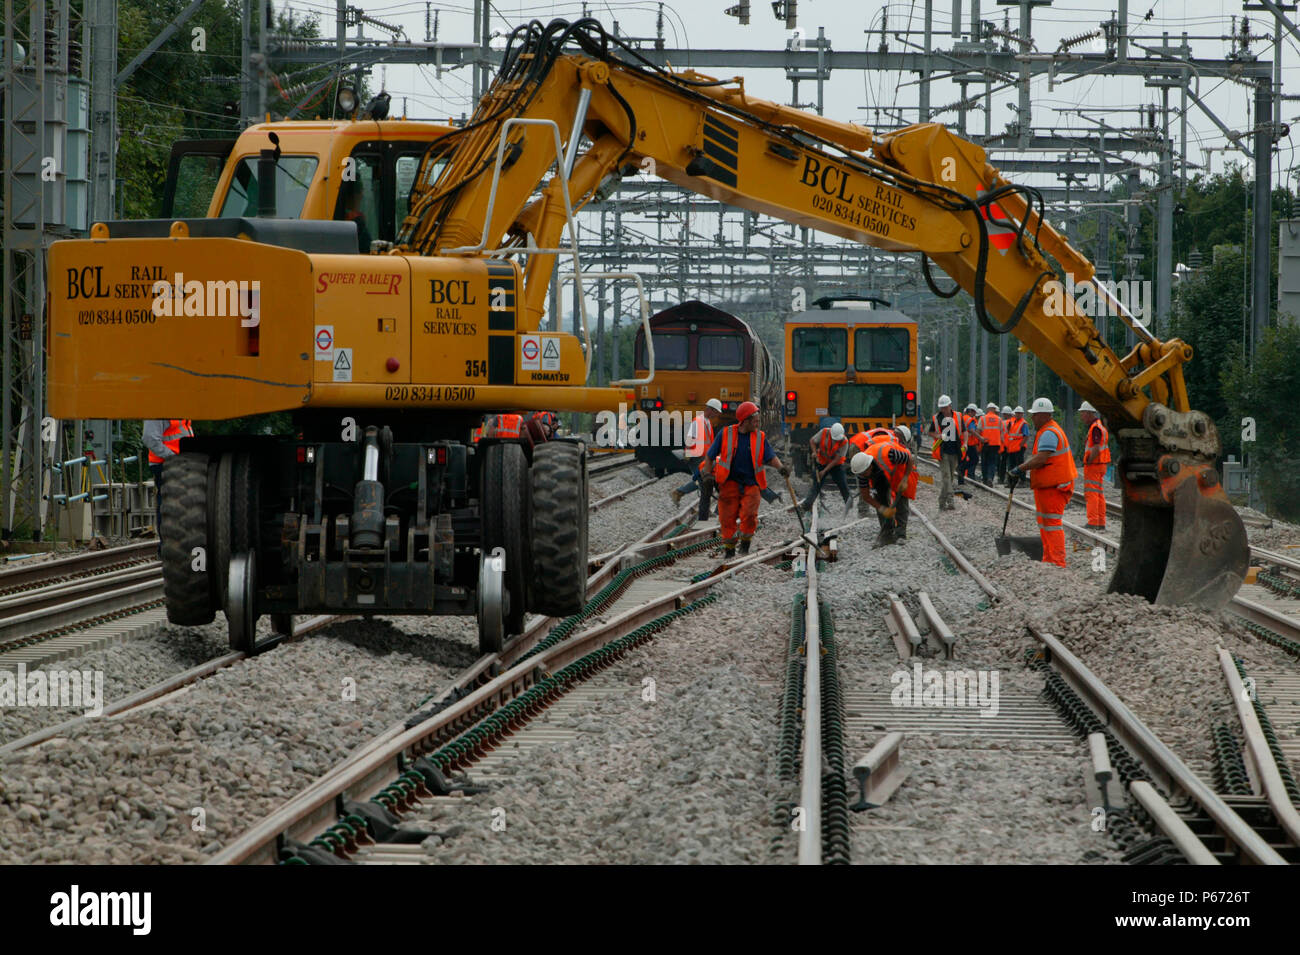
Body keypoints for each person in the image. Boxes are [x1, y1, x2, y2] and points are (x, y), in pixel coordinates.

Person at [702, 401, 788, 557]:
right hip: (729, 482)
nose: (757, 423)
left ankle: (745, 546)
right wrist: (707, 474)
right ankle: (729, 550)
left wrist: (781, 468)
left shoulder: (760, 437)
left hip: (752, 482)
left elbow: (770, 457)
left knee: (749, 514)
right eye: (754, 420)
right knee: (727, 517)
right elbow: (710, 456)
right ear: (745, 421)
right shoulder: (726, 433)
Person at [1008, 397, 1077, 569]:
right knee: (1045, 523)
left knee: (1052, 524)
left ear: (1044, 415)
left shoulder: (1049, 432)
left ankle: (1057, 562)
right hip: (1048, 486)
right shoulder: (1047, 430)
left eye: (1035, 415)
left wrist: (1020, 468)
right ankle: (1049, 559)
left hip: (1054, 487)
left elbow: (1041, 458)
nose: (1032, 418)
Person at [850, 437, 914, 544]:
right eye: (862, 474)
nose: (864, 476)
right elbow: (866, 496)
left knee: (902, 501)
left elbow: (910, 458)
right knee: (879, 500)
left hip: (899, 470)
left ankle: (900, 534)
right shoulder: (861, 472)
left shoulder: (890, 454)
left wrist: (905, 479)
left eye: (865, 473)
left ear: (869, 465)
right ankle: (887, 533)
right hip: (882, 476)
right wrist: (882, 508)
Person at [144, 418, 194, 550]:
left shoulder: (178, 407)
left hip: (179, 463)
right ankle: (167, 546)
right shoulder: (158, 409)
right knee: (169, 504)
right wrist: (173, 458)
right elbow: (150, 439)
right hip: (166, 464)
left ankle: (178, 544)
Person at [671, 397, 723, 522]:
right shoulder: (698, 421)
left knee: (702, 482)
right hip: (695, 456)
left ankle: (680, 493)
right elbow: (691, 438)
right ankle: (679, 493)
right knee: (703, 482)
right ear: (710, 410)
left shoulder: (707, 422)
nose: (717, 415)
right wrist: (688, 453)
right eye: (716, 412)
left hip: (704, 458)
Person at [801, 421, 852, 513]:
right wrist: (814, 452)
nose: (836, 441)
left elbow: (836, 459)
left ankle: (849, 506)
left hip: (836, 465)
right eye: (835, 439)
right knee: (817, 484)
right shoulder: (824, 432)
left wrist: (824, 471)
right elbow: (812, 441)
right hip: (822, 461)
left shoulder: (844, 442)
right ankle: (806, 505)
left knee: (842, 484)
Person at [926, 395, 963, 510]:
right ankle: (951, 501)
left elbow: (965, 431)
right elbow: (930, 432)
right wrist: (938, 436)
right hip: (943, 452)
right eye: (941, 408)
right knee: (946, 477)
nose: (943, 410)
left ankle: (941, 503)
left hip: (955, 451)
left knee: (950, 478)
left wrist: (965, 443)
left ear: (950, 406)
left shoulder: (958, 416)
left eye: (945, 407)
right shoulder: (937, 418)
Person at [1079, 400, 1111, 529]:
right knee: (1098, 493)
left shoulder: (1095, 428)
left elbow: (1096, 448)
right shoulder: (1100, 426)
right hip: (1101, 464)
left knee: (1091, 493)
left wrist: (1089, 461)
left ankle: (1093, 521)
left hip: (1095, 464)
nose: (1081, 416)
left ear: (1088, 413)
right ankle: (1101, 522)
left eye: (1082, 413)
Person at [1003, 406, 1028, 482]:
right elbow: (1010, 434)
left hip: (1019, 447)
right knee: (1011, 465)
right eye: (1016, 413)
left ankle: (1022, 480)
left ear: (1022, 414)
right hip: (1012, 447)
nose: (1017, 415)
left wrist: (1020, 445)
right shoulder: (1013, 423)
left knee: (1020, 465)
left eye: (1019, 413)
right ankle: (1011, 481)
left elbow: (1026, 436)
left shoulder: (1023, 423)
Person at [979, 402, 1003, 484]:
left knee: (984, 462)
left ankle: (985, 479)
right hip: (996, 444)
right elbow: (1002, 431)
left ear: (988, 409)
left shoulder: (982, 418)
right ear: (994, 409)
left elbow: (978, 430)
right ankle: (990, 478)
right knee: (992, 462)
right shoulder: (999, 419)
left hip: (985, 443)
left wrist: (980, 439)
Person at [961, 403, 981, 484]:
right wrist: (981, 438)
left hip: (962, 442)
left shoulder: (962, 418)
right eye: (974, 412)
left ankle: (961, 480)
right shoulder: (970, 419)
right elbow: (972, 430)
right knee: (974, 459)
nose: (975, 414)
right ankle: (962, 469)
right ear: (971, 411)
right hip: (969, 443)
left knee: (963, 460)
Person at [997, 405, 1014, 483]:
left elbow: (1000, 434)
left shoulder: (1002, 423)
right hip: (1011, 445)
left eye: (1004, 414)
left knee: (1003, 463)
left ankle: (1001, 479)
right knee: (1010, 463)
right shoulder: (1013, 422)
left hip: (1003, 446)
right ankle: (1010, 479)